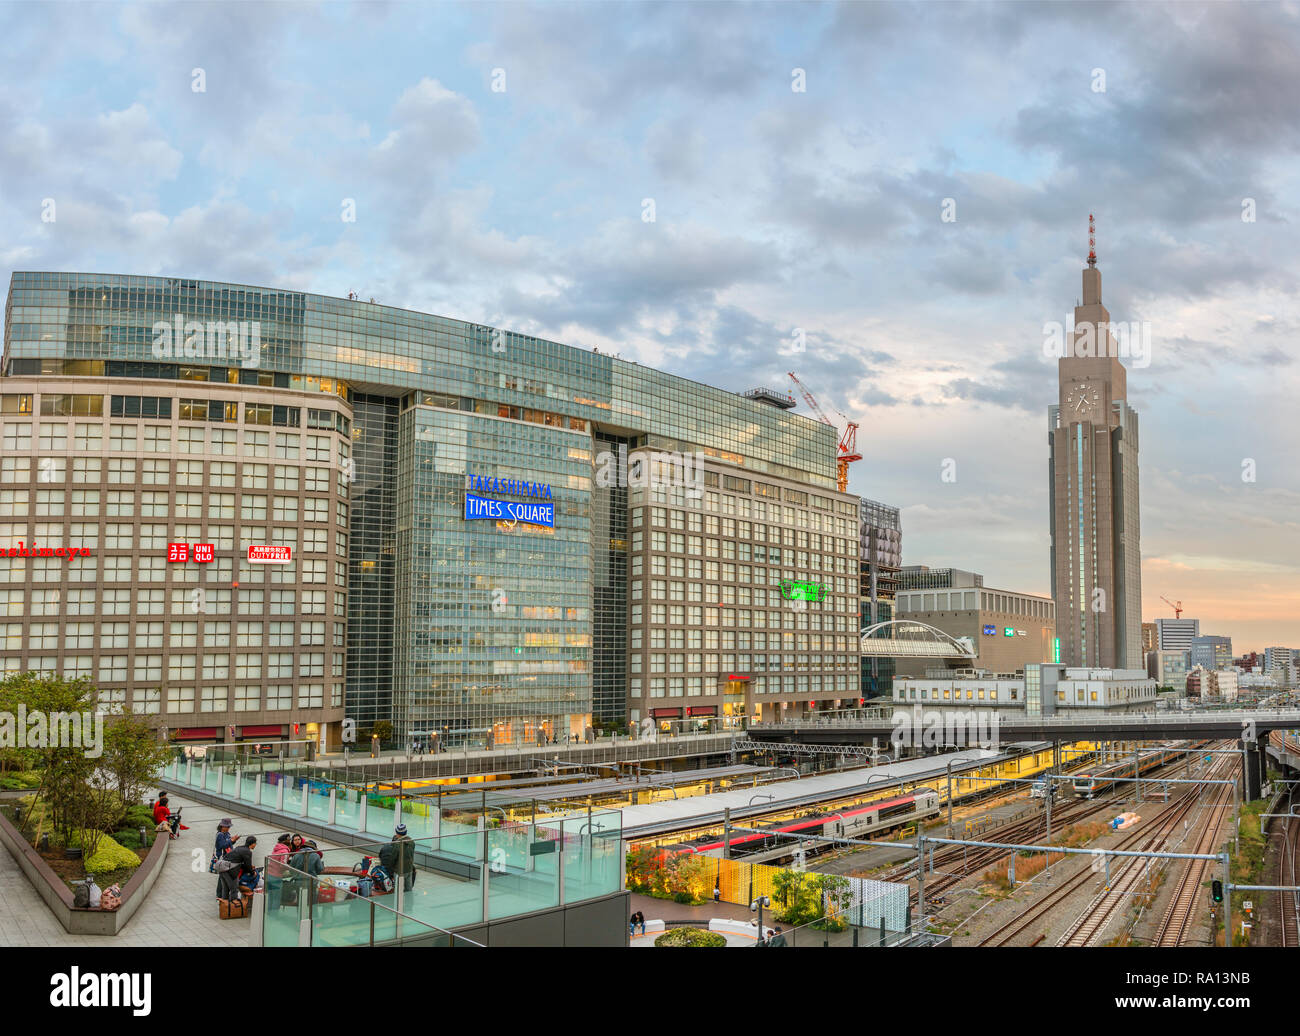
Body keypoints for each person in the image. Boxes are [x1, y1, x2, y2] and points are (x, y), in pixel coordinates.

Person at [217, 835, 257, 902]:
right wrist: (253, 872)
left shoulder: (239, 848)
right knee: (234, 889)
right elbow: (248, 866)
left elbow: (238, 861)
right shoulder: (247, 851)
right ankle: (233, 907)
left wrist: (249, 867)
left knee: (225, 889)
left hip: (221, 867)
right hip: (229, 870)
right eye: (255, 844)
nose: (255, 845)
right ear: (252, 844)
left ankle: (225, 908)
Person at [380, 823, 417, 892]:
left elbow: (393, 858)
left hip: (399, 871)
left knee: (398, 891)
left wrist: (389, 868)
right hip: (409, 869)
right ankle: (409, 901)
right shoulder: (412, 842)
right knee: (408, 889)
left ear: (397, 833)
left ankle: (398, 902)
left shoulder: (397, 844)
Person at [265, 834, 292, 911]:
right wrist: (290, 868)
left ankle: (268, 913)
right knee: (276, 897)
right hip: (276, 876)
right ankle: (274, 915)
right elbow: (282, 865)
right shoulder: (285, 851)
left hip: (269, 875)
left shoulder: (276, 849)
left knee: (270, 895)